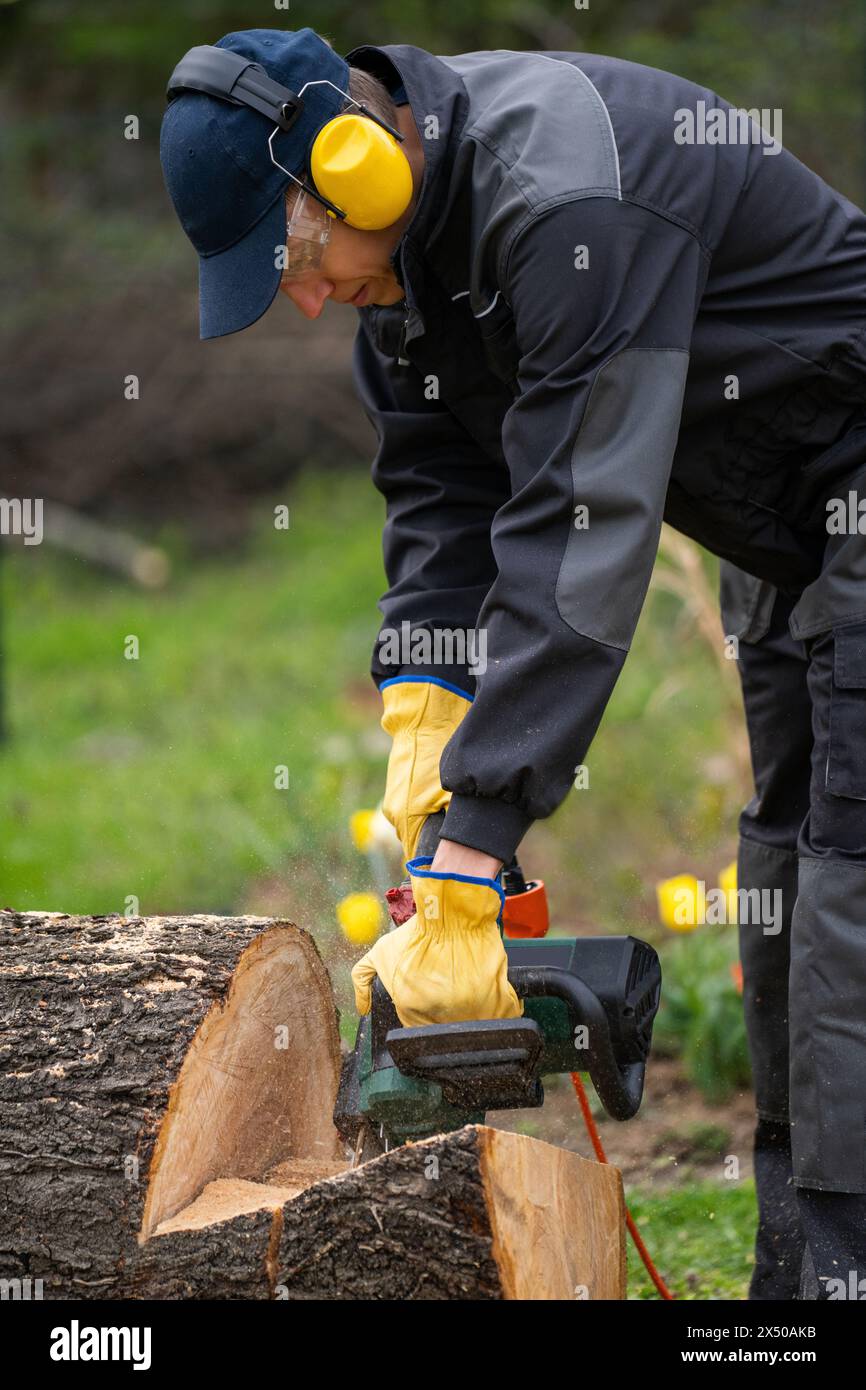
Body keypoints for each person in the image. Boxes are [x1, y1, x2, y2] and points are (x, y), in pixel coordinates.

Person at [160, 26, 866, 1298]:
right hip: (783, 528)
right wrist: (424, 724)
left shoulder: (561, 200)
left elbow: (578, 533)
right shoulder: (413, 277)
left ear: (355, 163)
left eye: (299, 259)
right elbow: (440, 506)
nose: (308, 300)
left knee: (850, 877)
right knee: (781, 874)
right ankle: (792, 1272)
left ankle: (841, 1271)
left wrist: (477, 847)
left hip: (845, 470)